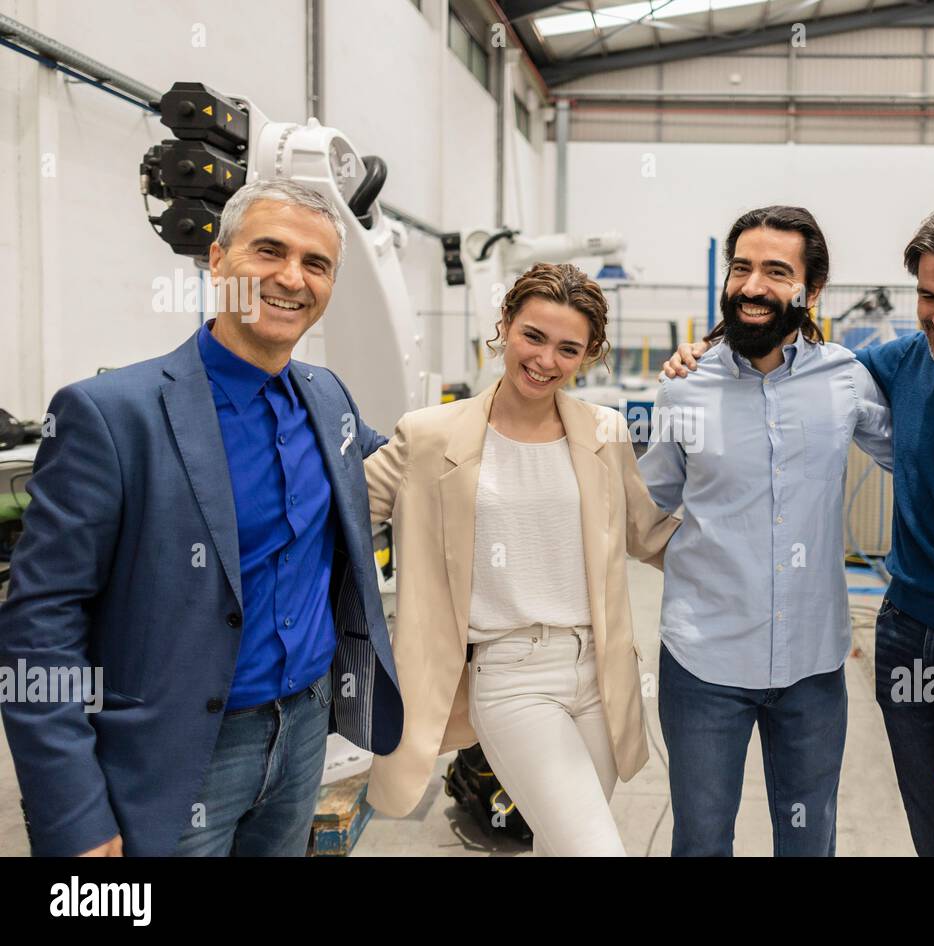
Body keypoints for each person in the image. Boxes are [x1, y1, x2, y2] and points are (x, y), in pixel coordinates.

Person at [662, 196, 934, 856]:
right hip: (907, 643)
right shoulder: (906, 363)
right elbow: (792, 371)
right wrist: (713, 349)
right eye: (928, 296)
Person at [0, 179, 402, 857]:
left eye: (315, 263)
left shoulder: (326, 397)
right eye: (268, 250)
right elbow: (40, 625)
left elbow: (418, 470)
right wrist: (71, 809)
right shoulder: (110, 415)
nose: (290, 277)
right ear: (216, 262)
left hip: (304, 734)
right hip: (177, 754)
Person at [363, 262, 679, 856]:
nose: (545, 360)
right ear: (505, 324)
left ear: (588, 355)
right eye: (533, 336)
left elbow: (650, 534)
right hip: (511, 677)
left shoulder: (604, 432)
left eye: (568, 348)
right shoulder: (430, 436)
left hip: (600, 675)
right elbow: (337, 517)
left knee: (562, 846)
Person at [639, 206, 893, 856]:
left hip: (812, 665)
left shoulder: (845, 379)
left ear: (810, 291)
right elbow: (643, 504)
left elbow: (919, 455)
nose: (753, 286)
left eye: (776, 271)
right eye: (742, 268)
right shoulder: (684, 387)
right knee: (701, 841)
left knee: (810, 843)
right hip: (703, 663)